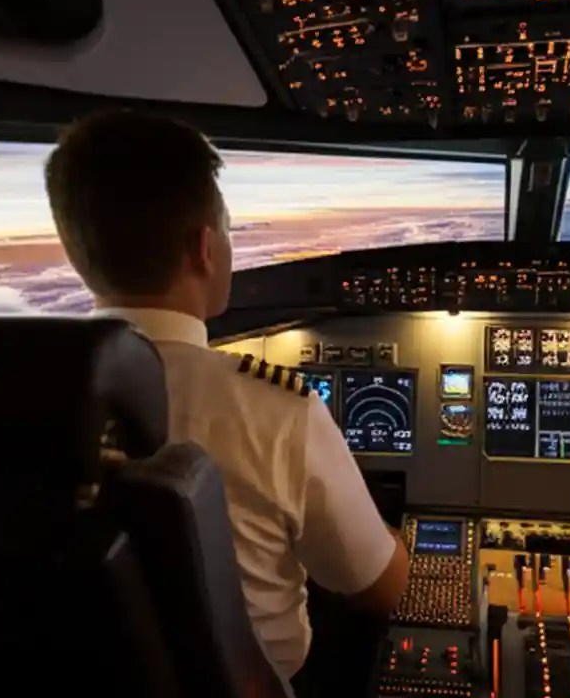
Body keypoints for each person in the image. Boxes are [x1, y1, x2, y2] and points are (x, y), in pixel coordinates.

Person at [44, 110, 409, 685]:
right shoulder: (276, 411)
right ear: (204, 249)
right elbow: (383, 589)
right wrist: (388, 531)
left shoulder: (8, 400)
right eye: (230, 231)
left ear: (76, 252)